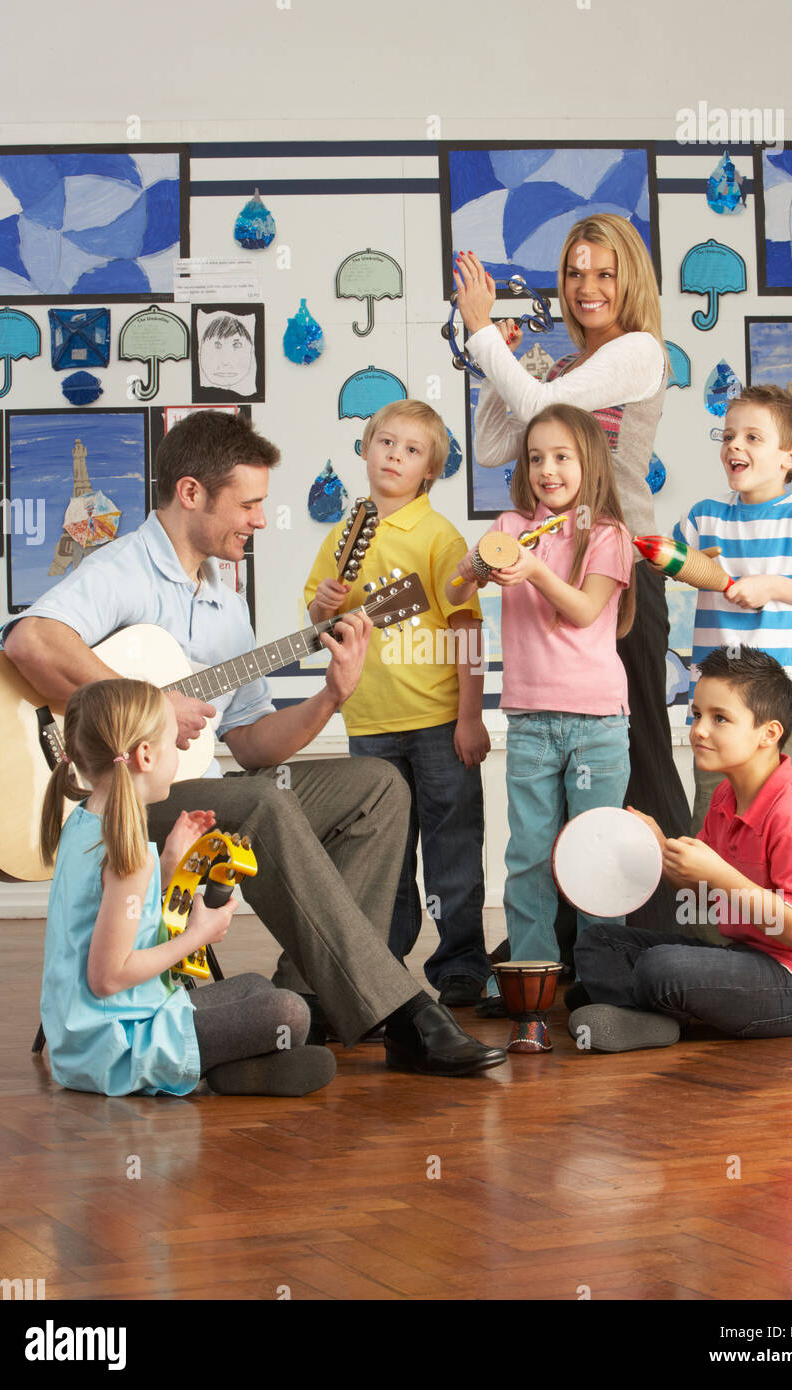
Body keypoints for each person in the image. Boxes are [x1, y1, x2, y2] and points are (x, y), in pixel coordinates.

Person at [5, 409, 505, 1078]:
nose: (262, 520)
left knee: (378, 789)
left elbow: (252, 747)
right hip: (115, 796)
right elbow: (30, 641)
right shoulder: (122, 568)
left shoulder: (224, 599)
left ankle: (310, 994)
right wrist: (150, 704)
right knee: (263, 807)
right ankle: (405, 1012)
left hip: (192, 786)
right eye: (248, 503)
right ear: (191, 494)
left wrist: (331, 695)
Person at [453, 215, 689, 936]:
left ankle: (671, 935)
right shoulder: (559, 371)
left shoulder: (640, 351)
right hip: (555, 567)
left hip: (622, 572)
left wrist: (480, 333)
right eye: (575, 272)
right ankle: (558, 951)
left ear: (630, 282)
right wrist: (506, 364)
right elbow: (500, 440)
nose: (586, 287)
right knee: (565, 797)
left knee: (639, 754)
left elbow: (535, 408)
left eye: (604, 273)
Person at [39, 678, 336, 1097]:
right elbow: (107, 977)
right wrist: (198, 935)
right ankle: (220, 1068)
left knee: (256, 987)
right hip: (118, 1049)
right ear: (145, 755)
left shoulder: (85, 825)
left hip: (86, 1038)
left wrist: (166, 865)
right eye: (172, 743)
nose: (179, 756)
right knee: (289, 1012)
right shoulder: (127, 855)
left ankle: (228, 1069)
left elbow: (116, 918)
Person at [570, 647, 792, 1052]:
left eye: (719, 718)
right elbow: (708, 895)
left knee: (661, 967)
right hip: (748, 957)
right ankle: (651, 1016)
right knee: (599, 942)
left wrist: (718, 873)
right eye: (696, 715)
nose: (699, 730)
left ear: (769, 733)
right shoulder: (726, 796)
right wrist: (659, 851)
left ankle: (640, 1009)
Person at [448, 404, 634, 1033]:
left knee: (597, 854)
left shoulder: (609, 535)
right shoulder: (508, 526)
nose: (547, 469)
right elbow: (454, 592)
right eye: (535, 458)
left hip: (598, 722)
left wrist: (531, 571)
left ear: (590, 464)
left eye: (562, 457)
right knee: (528, 854)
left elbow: (584, 611)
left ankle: (601, 979)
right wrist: (481, 564)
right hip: (528, 720)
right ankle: (532, 976)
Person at [304, 400, 491, 1007]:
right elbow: (318, 620)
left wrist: (470, 715)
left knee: (452, 845)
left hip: (438, 724)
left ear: (429, 472)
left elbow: (466, 627)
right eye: (385, 442)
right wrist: (323, 604)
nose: (394, 456)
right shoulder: (342, 534)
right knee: (383, 855)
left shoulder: (439, 537)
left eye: (412, 451)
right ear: (365, 450)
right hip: (370, 723)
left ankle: (461, 964)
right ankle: (382, 964)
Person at [675, 384, 792, 840]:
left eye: (753, 437)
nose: (735, 444)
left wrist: (774, 587)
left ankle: (785, 913)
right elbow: (659, 563)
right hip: (718, 708)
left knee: (787, 828)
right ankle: (709, 915)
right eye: (728, 436)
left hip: (789, 706)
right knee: (713, 828)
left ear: (790, 456)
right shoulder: (704, 518)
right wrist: (681, 565)